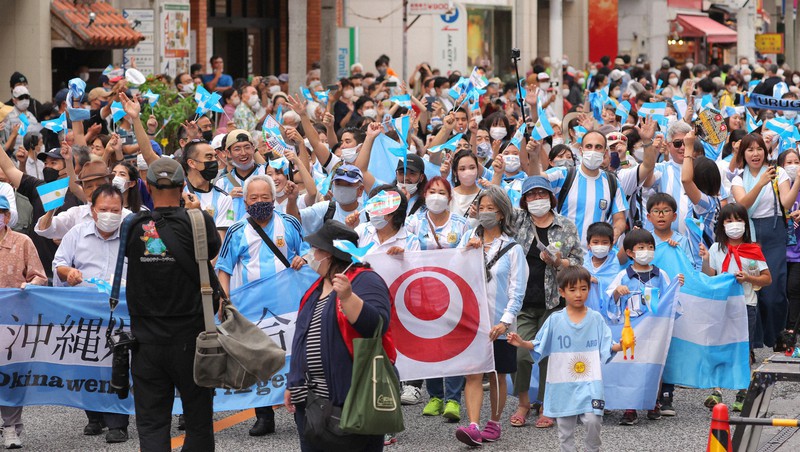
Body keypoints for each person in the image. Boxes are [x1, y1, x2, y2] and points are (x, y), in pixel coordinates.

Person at [285, 220, 395, 452]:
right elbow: (302, 338)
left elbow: (378, 325)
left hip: (353, 400)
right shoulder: (317, 287)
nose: (313, 255)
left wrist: (348, 298)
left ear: (332, 254)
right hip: (312, 401)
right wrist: (293, 382)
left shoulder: (365, 279)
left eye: (318, 250)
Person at [215, 174, 307, 436]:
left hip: (288, 305)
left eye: (265, 197)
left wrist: (302, 259)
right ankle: (263, 415)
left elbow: (308, 252)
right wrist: (225, 301)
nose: (259, 202)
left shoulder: (289, 224)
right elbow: (224, 268)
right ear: (245, 202)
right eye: (253, 198)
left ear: (274, 198)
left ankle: (301, 409)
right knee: (257, 360)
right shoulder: (236, 230)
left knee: (294, 357)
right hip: (253, 309)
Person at [508, 266, 623, 452]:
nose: (579, 294)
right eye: (572, 289)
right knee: (565, 429)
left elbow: (608, 345)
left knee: (594, 420)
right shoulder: (555, 319)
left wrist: (623, 345)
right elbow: (539, 344)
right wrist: (521, 342)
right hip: (562, 383)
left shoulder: (595, 319)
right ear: (561, 292)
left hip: (589, 381)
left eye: (583, 288)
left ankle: (592, 448)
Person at [51, 184, 131, 442]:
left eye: (115, 210)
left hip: (122, 311)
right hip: (85, 311)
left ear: (123, 210)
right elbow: (59, 263)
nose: (109, 214)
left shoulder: (133, 234)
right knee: (87, 363)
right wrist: (69, 273)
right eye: (104, 209)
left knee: (118, 364)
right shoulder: (77, 233)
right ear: (92, 211)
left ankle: (118, 423)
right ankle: (94, 416)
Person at [509, 175, 583, 429]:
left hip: (553, 302)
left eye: (542, 194)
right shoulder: (517, 221)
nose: (537, 199)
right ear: (524, 199)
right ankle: (523, 403)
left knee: (549, 356)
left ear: (551, 198)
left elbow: (578, 262)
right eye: (531, 195)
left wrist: (559, 262)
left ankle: (547, 404)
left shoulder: (566, 225)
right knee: (520, 354)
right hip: (522, 302)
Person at [456, 186, 528, 446]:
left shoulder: (512, 249)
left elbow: (516, 291)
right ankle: (473, 425)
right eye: (481, 208)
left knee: (498, 373)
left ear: (501, 214)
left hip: (499, 322)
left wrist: (505, 321)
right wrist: (466, 252)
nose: (485, 213)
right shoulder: (466, 241)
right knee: (473, 373)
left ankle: (494, 422)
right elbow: (452, 276)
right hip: (472, 322)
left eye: (491, 209)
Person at [404, 176, 468, 421]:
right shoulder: (413, 223)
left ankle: (452, 399)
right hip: (422, 295)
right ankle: (434, 396)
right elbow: (405, 247)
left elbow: (465, 257)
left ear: (450, 198)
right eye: (432, 191)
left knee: (452, 345)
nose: (437, 197)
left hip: (453, 295)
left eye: (442, 192)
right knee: (429, 345)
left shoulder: (461, 225)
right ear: (424, 194)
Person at [606, 228, 684, 424]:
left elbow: (671, 301)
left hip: (654, 331)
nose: (646, 251)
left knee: (653, 366)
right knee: (629, 365)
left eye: (650, 247)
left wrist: (677, 285)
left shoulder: (661, 274)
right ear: (630, 253)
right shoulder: (623, 275)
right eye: (641, 247)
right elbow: (608, 299)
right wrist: (617, 292)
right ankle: (630, 406)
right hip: (630, 330)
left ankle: (652, 402)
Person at [699, 204, 771, 412]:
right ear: (722, 224)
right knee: (719, 346)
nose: (734, 225)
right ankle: (717, 390)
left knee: (742, 350)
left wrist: (748, 277)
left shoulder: (753, 250)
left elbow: (767, 278)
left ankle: (742, 390)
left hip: (746, 305)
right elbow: (710, 276)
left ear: (745, 224)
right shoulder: (716, 248)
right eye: (728, 221)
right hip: (721, 305)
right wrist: (704, 260)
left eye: (738, 220)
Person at [730, 133, 799, 347]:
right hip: (749, 236)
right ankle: (753, 341)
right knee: (752, 289)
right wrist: (760, 183)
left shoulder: (778, 173)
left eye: (759, 149)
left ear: (766, 151)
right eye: (749, 150)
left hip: (774, 232)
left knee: (775, 291)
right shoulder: (739, 178)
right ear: (743, 154)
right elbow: (742, 205)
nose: (755, 154)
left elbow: (787, 203)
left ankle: (777, 336)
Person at [0, 194, 47, 450]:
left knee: (10, 377)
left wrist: (29, 285)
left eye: (0, 212)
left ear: (7, 216)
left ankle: (11, 427)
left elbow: (40, 276)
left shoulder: (22, 241)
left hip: (13, 323)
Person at [530, 132, 627, 247]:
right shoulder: (564, 174)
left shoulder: (612, 182)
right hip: (564, 255)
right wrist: (534, 157)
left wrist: (615, 232)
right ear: (581, 150)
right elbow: (534, 181)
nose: (593, 151)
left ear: (605, 152)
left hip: (596, 258)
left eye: (598, 147)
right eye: (589, 146)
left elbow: (619, 218)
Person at [182, 139, 234, 239]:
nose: (214, 161)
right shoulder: (178, 193)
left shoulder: (224, 198)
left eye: (215, 156)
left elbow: (220, 242)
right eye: (209, 157)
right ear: (192, 163)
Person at [297, 164, 368, 235]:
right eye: (338, 184)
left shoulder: (368, 215)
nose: (342, 189)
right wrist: (292, 200)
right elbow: (295, 219)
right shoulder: (325, 209)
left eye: (348, 185)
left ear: (360, 190)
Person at [214, 129, 267, 221]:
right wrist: (228, 198)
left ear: (253, 148)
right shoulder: (222, 183)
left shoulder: (265, 173)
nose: (243, 153)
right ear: (228, 153)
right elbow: (218, 214)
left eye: (247, 147)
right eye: (237, 149)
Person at [583, 222, 623, 291]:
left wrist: (598, 281)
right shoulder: (583, 263)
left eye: (605, 242)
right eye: (595, 242)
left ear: (611, 245)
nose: (600, 245)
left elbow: (615, 284)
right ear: (588, 244)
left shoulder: (614, 263)